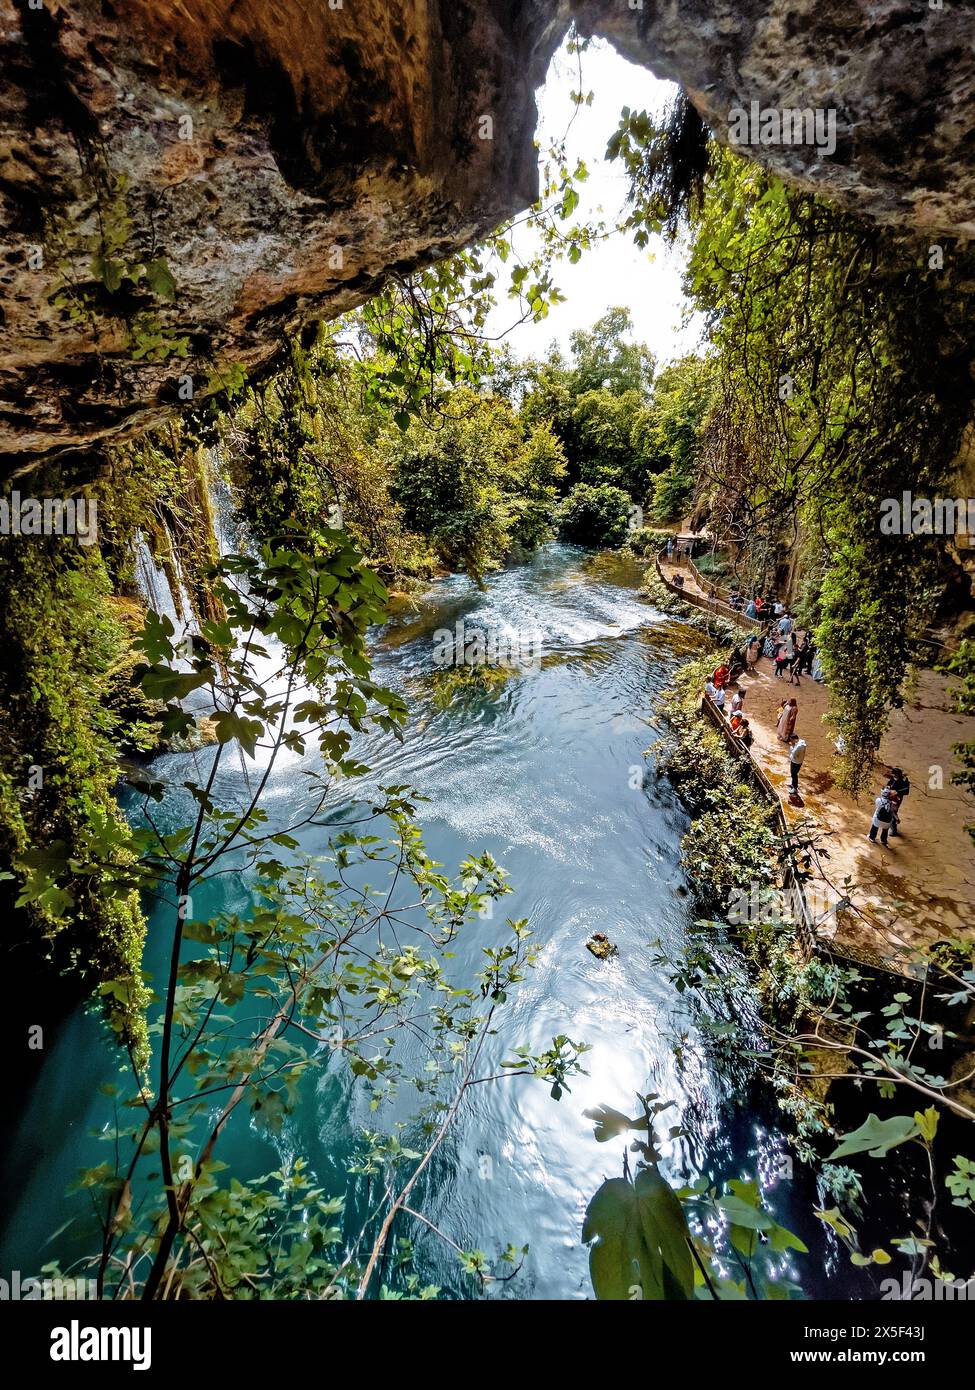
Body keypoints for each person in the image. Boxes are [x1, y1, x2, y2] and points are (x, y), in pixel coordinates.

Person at [886, 767, 911, 835]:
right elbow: (889, 783)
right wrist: (888, 787)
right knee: (889, 809)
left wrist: (897, 792)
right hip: (890, 796)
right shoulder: (893, 777)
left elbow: (906, 791)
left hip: (898, 798)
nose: (894, 776)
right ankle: (892, 825)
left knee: (893, 811)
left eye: (895, 775)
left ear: (899, 774)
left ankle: (893, 830)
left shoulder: (904, 779)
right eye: (894, 775)